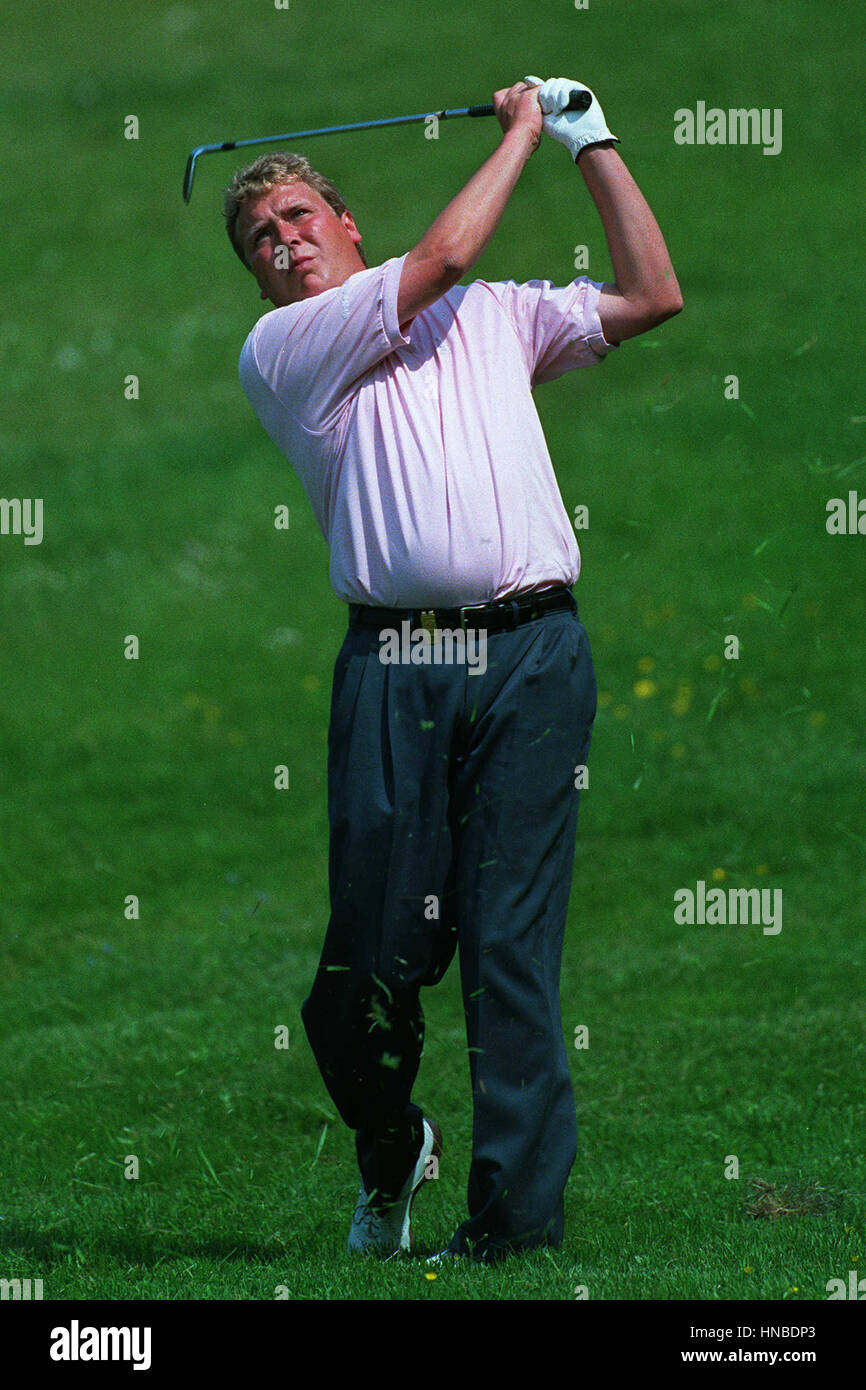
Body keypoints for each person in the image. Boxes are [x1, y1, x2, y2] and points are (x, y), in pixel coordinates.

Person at [225, 76, 682, 1265]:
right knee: (362, 975)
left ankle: (512, 1234)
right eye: (260, 237)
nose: (281, 244)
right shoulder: (286, 347)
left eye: (297, 219)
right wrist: (523, 128)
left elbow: (651, 293)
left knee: (509, 951)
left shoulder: (496, 314)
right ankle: (392, 1147)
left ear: (344, 224)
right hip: (396, 663)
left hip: (535, 654)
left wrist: (592, 139)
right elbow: (437, 254)